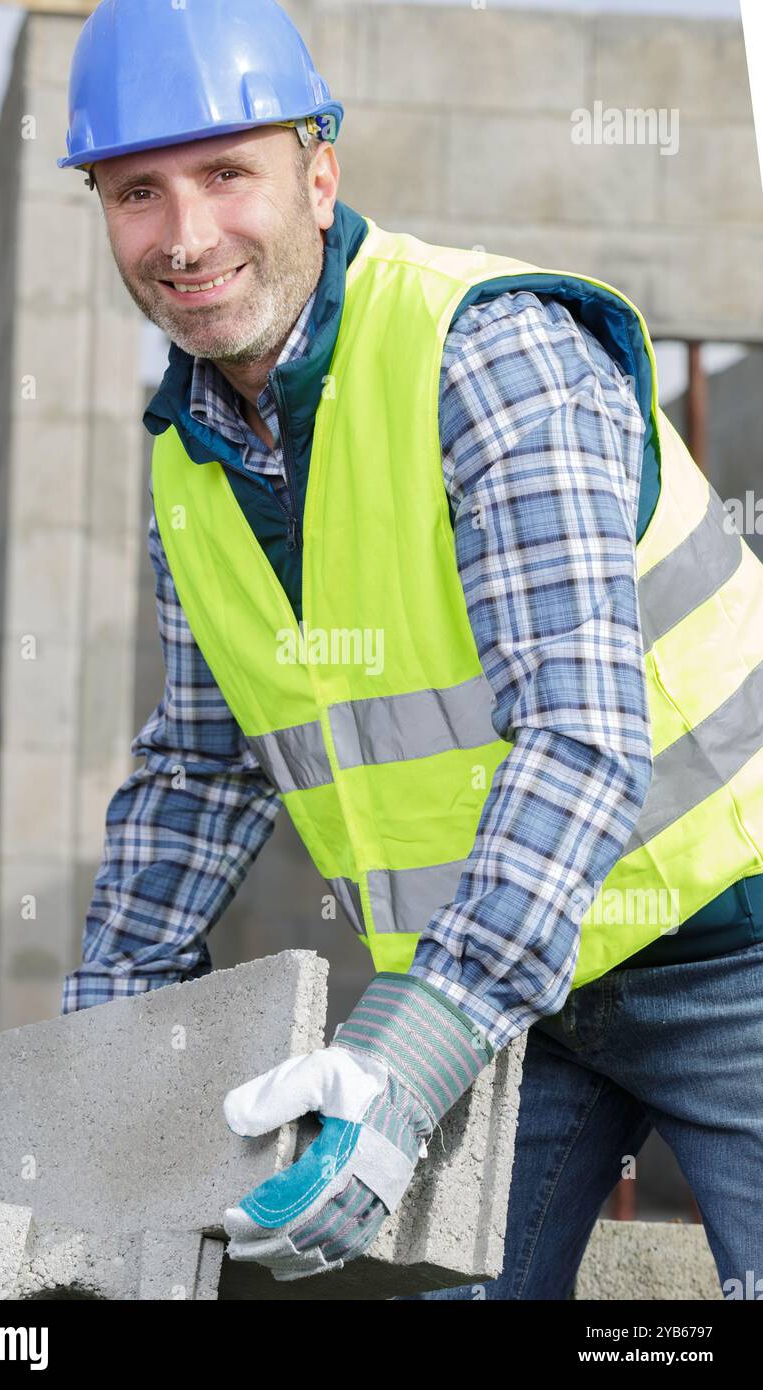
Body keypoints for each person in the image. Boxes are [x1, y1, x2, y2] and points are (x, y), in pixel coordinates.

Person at [57, 0, 763, 1293]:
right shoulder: (188, 461)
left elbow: (582, 734)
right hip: (514, 991)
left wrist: (407, 1048)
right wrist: (94, 1062)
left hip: (730, 946)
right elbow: (203, 770)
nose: (187, 235)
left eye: (227, 173)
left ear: (318, 174)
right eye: (137, 192)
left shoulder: (481, 353)